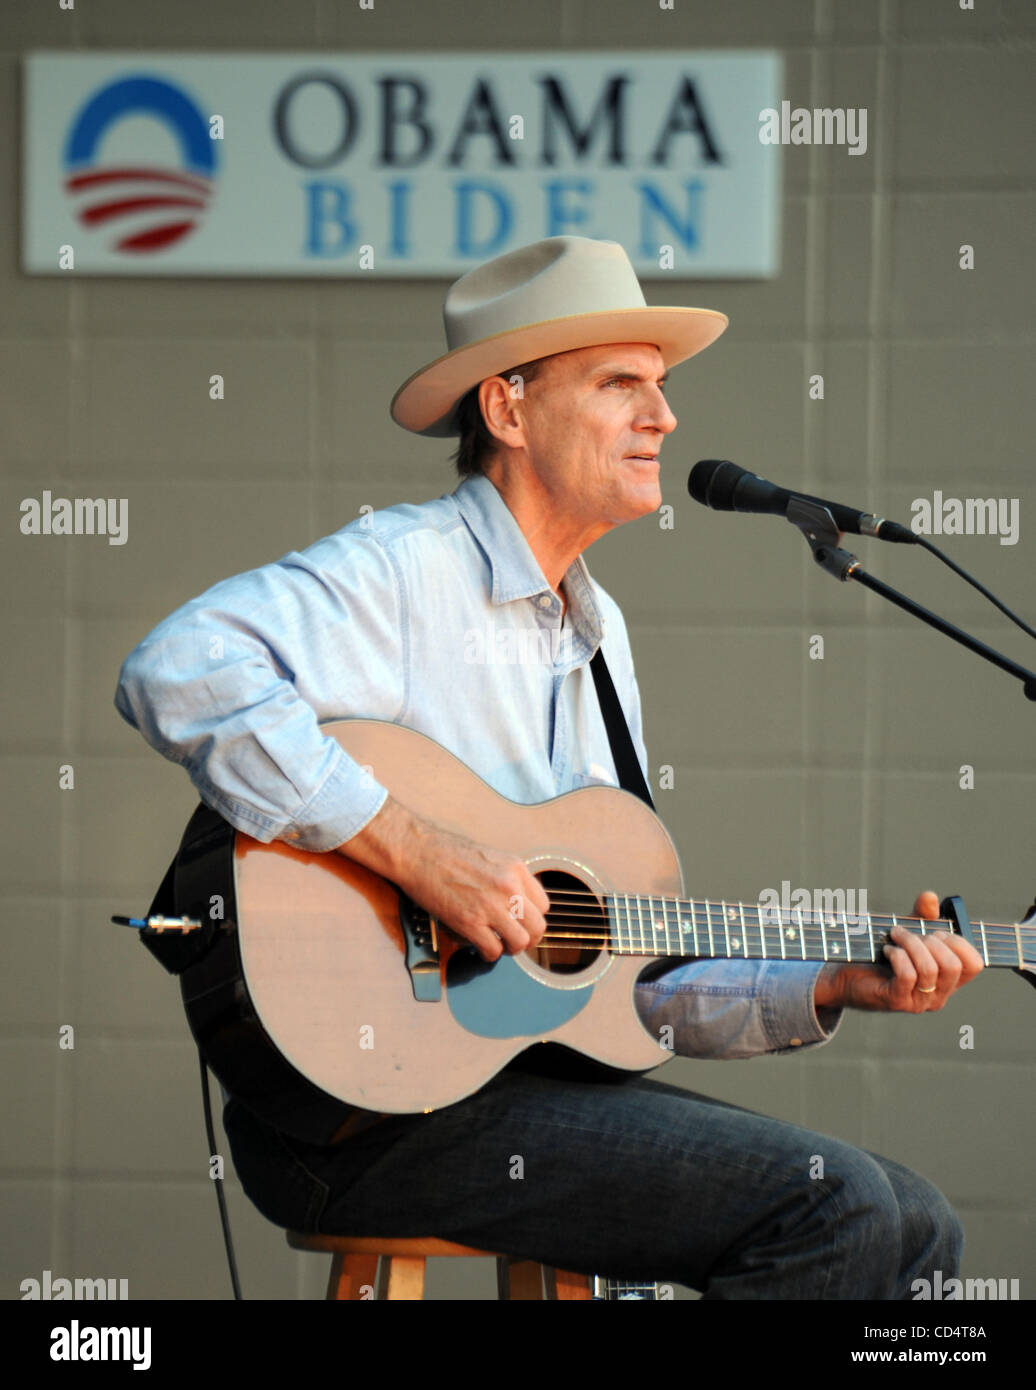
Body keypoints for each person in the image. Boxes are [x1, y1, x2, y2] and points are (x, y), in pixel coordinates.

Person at [115, 235, 983, 1298]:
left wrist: (832, 981)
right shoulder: (402, 568)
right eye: (622, 384)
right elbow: (175, 668)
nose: (663, 418)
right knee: (833, 1204)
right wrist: (420, 853)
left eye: (661, 389)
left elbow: (630, 981)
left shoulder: (599, 634)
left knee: (917, 1227)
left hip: (519, 1089)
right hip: (357, 1120)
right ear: (509, 411)